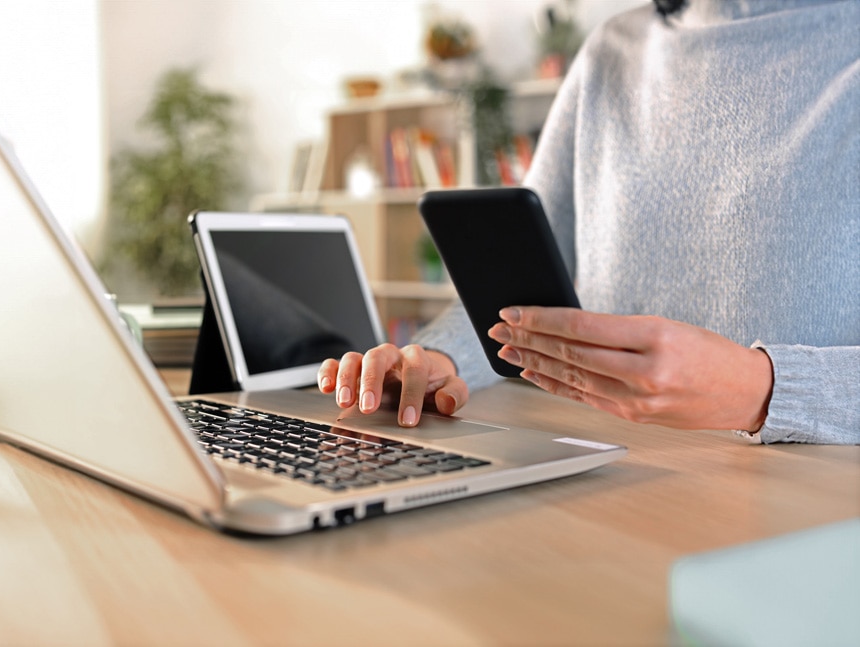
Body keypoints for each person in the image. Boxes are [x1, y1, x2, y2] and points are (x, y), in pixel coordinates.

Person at [318, 0, 860, 445]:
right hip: (603, 478)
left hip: (801, 519)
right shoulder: (611, 52)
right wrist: (440, 360)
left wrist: (762, 390)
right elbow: (522, 288)